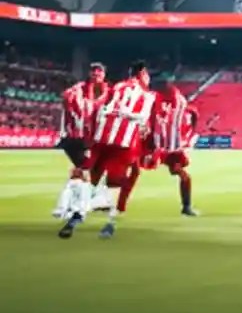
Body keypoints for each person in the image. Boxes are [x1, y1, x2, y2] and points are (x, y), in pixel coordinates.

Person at [60, 61, 156, 240]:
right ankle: (109, 224)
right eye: (147, 75)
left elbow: (100, 108)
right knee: (114, 182)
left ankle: (75, 217)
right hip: (122, 144)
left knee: (91, 179)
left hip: (101, 138)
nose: (148, 78)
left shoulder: (117, 86)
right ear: (142, 73)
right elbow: (143, 118)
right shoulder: (148, 95)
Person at [51, 62, 110, 219]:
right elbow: (70, 100)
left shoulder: (106, 92)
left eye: (99, 74)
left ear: (104, 75)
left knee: (88, 169)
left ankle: (72, 205)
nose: (96, 76)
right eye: (93, 73)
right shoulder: (78, 91)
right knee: (85, 170)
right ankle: (70, 206)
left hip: (88, 139)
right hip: (75, 138)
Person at [145, 77, 200, 216]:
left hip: (164, 146)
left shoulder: (173, 99)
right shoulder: (160, 99)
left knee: (184, 176)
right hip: (154, 143)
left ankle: (186, 206)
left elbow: (193, 113)